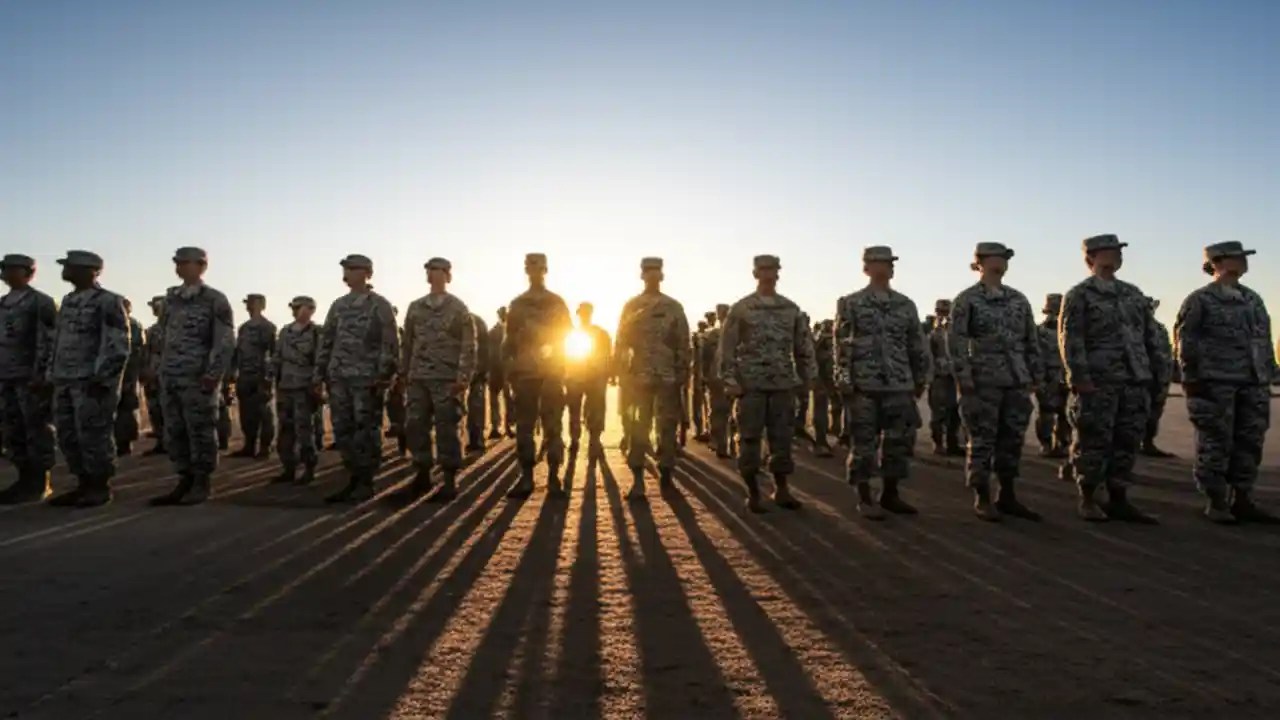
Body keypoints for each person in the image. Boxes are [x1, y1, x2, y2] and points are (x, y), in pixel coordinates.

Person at [1060, 234, 1164, 523]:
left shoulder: (1133, 294)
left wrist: (1155, 374)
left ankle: (1119, 498)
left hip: (1134, 379)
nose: (1116, 256)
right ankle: (1088, 497)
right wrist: (1079, 378)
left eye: (1118, 252)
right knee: (1093, 440)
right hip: (1098, 380)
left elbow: (1150, 337)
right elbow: (1071, 339)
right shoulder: (1080, 295)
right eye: (1109, 251)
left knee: (1127, 441)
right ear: (1091, 257)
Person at [1175, 241, 1277, 524]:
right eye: (1237, 257)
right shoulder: (1200, 300)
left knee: (1250, 442)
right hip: (1215, 382)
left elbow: (1264, 340)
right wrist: (1191, 379)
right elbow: (1186, 341)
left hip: (1252, 383)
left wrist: (1268, 375)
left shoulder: (1253, 299)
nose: (1243, 262)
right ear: (1217, 262)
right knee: (1215, 442)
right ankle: (1216, 501)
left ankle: (1243, 498)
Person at [950, 243, 1043, 521]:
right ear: (980, 262)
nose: (1001, 262)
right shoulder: (967, 300)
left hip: (1016, 379)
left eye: (1004, 258)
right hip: (983, 381)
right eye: (996, 257)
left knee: (1012, 440)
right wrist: (964, 378)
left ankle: (1007, 495)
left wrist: (1035, 375)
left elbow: (1031, 340)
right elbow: (956, 342)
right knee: (982, 440)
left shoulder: (1018, 299)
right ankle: (982, 496)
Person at [835, 246, 930, 520]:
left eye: (888, 263)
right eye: (879, 262)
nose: (886, 267)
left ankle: (891, 494)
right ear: (866, 268)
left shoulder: (905, 304)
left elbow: (916, 344)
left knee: (899, 442)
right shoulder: (851, 303)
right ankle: (864, 497)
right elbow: (841, 345)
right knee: (864, 444)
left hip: (899, 383)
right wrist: (844, 381)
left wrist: (920, 378)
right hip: (864, 385)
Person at [719, 255, 816, 513]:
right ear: (755, 273)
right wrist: (730, 381)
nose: (768, 274)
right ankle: (753, 492)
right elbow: (726, 350)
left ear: (778, 273)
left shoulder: (790, 309)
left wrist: (807, 378)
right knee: (749, 440)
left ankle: (781, 489)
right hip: (751, 386)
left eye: (772, 269)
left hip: (782, 384)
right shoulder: (742, 309)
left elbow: (803, 347)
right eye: (763, 269)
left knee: (782, 439)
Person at [151, 247, 235, 506]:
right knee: (175, 431)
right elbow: (161, 337)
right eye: (177, 263)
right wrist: (157, 368)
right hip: (171, 377)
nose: (179, 267)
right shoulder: (171, 299)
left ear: (201, 266)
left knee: (200, 430)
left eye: (185, 263)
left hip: (198, 378)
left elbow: (224, 341)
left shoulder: (214, 299)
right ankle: (184, 479)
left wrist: (213, 374)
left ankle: (201, 482)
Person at [48, 251, 130, 507]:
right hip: (65, 380)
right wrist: (51, 373)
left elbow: (118, 345)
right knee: (68, 436)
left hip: (91, 384)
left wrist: (102, 379)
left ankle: (99, 487)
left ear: (90, 271)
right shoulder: (68, 301)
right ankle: (82, 483)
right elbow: (58, 341)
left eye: (71, 267)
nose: (66, 270)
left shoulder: (108, 301)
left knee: (93, 437)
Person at [315, 254, 400, 503]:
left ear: (366, 273)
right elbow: (327, 341)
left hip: (367, 379)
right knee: (343, 429)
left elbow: (390, 342)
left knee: (366, 430)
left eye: (352, 269)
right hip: (339, 379)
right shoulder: (338, 306)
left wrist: (384, 375)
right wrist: (319, 375)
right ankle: (352, 476)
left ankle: (366, 481)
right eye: (346, 269)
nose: (347, 273)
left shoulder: (379, 305)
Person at [399, 257, 476, 502]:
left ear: (448, 275)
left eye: (438, 270)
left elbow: (468, 345)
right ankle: (422, 473)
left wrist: (463, 376)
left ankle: (450, 480)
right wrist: (403, 373)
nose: (433, 274)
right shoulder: (416, 307)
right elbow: (407, 343)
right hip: (419, 377)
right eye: (430, 270)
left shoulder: (458, 308)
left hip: (446, 378)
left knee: (447, 427)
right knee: (416, 425)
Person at [615, 259, 689, 499]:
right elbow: (621, 343)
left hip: (667, 378)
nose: (652, 276)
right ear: (642, 276)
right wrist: (622, 373)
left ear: (662, 276)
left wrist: (682, 373)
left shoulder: (673, 307)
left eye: (656, 272)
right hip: (639, 379)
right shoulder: (631, 307)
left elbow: (683, 343)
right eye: (648, 272)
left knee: (667, 428)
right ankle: (638, 480)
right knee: (638, 429)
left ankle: (666, 475)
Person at [503, 253, 573, 499]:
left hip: (551, 373)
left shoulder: (556, 303)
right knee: (524, 427)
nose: (534, 272)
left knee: (553, 426)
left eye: (539, 268)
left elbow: (567, 335)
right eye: (530, 268)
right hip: (525, 375)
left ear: (545, 270)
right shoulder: (517, 304)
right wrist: (509, 371)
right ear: (526, 271)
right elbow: (509, 342)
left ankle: (554, 477)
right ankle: (526, 477)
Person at [0, 253, 57, 504]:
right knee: (13, 429)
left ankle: (39, 481)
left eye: (11, 269)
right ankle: (23, 478)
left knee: (36, 429)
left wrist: (44, 375)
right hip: (5, 377)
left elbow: (51, 341)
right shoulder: (2, 303)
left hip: (30, 378)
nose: (5, 273)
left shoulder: (40, 302)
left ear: (28, 272)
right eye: (4, 269)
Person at [272, 296, 322, 485]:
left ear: (310, 310)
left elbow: (320, 360)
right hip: (285, 386)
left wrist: (317, 384)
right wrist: (270, 376)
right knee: (285, 430)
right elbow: (277, 357)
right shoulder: (285, 331)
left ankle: (309, 468)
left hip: (304, 387)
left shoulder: (317, 332)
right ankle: (288, 468)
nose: (294, 311)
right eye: (293, 307)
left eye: (298, 307)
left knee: (304, 430)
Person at [230, 293, 277, 458]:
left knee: (264, 413)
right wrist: (232, 372)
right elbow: (237, 353)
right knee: (246, 413)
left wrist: (268, 377)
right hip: (244, 376)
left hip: (260, 376)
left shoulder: (268, 327)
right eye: (247, 303)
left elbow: (274, 354)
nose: (248, 306)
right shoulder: (243, 328)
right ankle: (249, 446)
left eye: (252, 303)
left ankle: (265, 447)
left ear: (261, 305)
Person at [565, 302, 612, 459]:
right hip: (582, 376)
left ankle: (589, 438)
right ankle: (582, 438)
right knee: (580, 410)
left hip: (586, 377)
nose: (584, 316)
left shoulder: (575, 334)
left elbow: (607, 356)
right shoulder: (575, 334)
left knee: (588, 409)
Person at [1035, 293, 1070, 459]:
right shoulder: (1039, 332)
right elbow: (1034, 356)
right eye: (1052, 312)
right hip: (1047, 377)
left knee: (1065, 414)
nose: (1054, 315)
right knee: (1046, 413)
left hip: (1066, 377)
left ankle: (1062, 444)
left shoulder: (1068, 331)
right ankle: (1046, 443)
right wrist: (1038, 378)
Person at [1140, 297, 1175, 457]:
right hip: (1142, 377)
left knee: (1155, 411)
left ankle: (1148, 442)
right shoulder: (1135, 328)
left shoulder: (1160, 329)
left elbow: (1167, 352)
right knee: (1135, 412)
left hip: (1159, 377)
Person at [927, 299, 963, 456]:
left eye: (947, 312)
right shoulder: (934, 334)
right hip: (940, 377)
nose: (944, 315)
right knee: (939, 413)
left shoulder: (957, 333)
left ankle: (952, 443)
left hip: (956, 377)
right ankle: (938, 443)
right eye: (941, 312)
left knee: (955, 413)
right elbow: (928, 357)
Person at [114, 298, 145, 456]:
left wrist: (133, 374)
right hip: (113, 371)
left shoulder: (133, 325)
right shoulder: (113, 323)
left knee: (127, 407)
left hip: (128, 372)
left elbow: (138, 351)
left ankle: (125, 442)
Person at [704, 303, 731, 458]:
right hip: (729, 378)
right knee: (727, 412)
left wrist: (705, 376)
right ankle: (726, 444)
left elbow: (704, 358)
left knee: (719, 411)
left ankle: (720, 443)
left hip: (717, 377)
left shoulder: (711, 335)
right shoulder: (738, 332)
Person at [142, 295, 167, 456]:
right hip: (153, 374)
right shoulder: (152, 330)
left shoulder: (175, 328)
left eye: (156, 306)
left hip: (169, 373)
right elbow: (147, 353)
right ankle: (161, 440)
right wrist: (146, 370)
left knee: (169, 409)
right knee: (155, 408)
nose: (154, 309)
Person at [811, 319, 837, 457]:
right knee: (822, 408)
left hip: (827, 378)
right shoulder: (824, 341)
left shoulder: (819, 340)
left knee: (823, 407)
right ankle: (821, 441)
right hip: (825, 378)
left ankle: (823, 439)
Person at [486, 307, 514, 439]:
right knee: (503, 400)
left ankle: (501, 427)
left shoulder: (495, 332)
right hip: (500, 370)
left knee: (503, 400)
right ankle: (501, 427)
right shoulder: (503, 332)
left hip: (500, 369)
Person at [466, 312, 489, 453]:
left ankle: (477, 439)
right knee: (476, 407)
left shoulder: (477, 323)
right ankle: (476, 439)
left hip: (474, 372)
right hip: (474, 372)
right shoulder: (479, 322)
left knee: (475, 407)